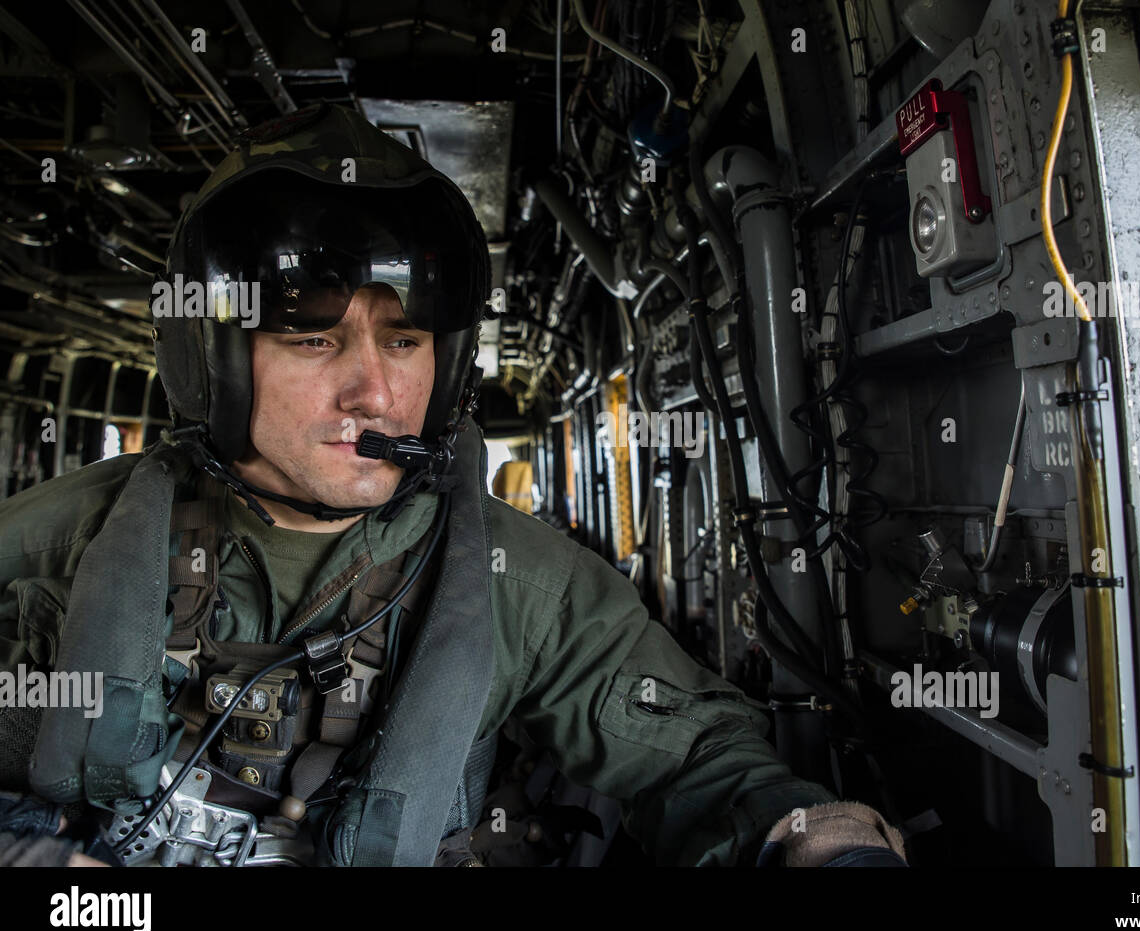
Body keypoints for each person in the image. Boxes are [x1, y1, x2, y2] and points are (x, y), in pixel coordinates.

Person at [0, 104, 905, 867]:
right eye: (313, 339)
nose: (375, 392)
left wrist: (815, 836)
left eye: (403, 341)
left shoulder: (523, 586)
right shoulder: (57, 543)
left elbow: (702, 761)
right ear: (214, 361)